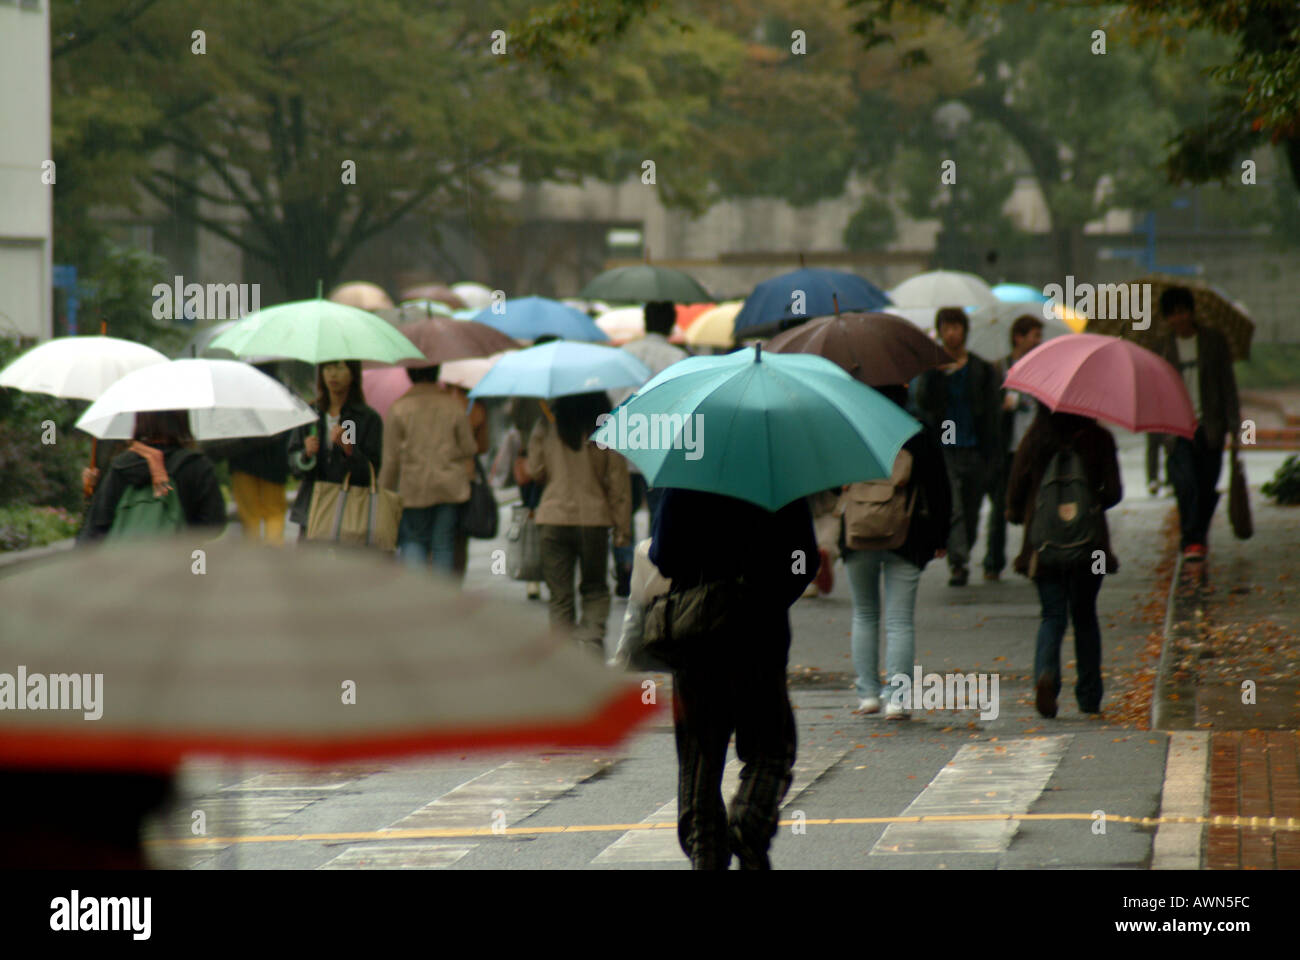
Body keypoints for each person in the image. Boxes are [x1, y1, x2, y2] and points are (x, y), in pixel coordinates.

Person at [650, 488, 818, 870]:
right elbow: (802, 560)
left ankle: (706, 853)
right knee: (770, 748)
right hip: (759, 629)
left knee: (699, 759)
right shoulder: (778, 477)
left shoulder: (687, 478)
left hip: (697, 632)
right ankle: (747, 823)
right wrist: (773, 597)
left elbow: (663, 556)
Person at [842, 384, 952, 719]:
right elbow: (939, 486)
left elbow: (834, 485)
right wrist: (940, 536)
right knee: (899, 621)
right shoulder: (917, 432)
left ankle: (867, 695)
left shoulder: (852, 430)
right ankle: (897, 699)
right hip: (907, 534)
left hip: (859, 533)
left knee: (864, 614)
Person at [1007, 408, 1122, 718]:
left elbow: (1015, 493)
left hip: (1043, 548)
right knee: (1086, 616)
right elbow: (1113, 493)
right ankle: (1089, 695)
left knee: (1052, 615)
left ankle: (1046, 674)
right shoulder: (1100, 439)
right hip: (1091, 548)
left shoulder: (1035, 438)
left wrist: (1020, 513)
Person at [519, 391, 631, 654]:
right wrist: (622, 531)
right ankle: (591, 643)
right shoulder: (606, 426)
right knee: (594, 589)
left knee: (560, 597)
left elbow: (535, 470)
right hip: (594, 520)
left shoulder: (547, 424)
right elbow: (618, 483)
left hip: (553, 518)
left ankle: (563, 658)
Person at [914, 306, 1001, 586]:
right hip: (945, 446)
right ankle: (959, 564)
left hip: (973, 445)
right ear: (939, 333)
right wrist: (932, 375)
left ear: (964, 330)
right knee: (955, 508)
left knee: (973, 509)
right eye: (946, 328)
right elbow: (923, 403)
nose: (951, 333)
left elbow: (991, 409)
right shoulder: (933, 369)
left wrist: (992, 450)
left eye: (956, 327)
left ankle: (962, 551)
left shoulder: (981, 368)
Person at [1157, 286, 1242, 560]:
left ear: (1191, 312)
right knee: (1185, 485)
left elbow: (1228, 386)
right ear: (1166, 317)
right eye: (1172, 314)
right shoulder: (1163, 347)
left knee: (1207, 485)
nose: (1179, 318)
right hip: (1177, 428)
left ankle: (1199, 535)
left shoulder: (1213, 341)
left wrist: (1235, 425)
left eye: (1183, 311)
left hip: (1210, 426)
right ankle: (1191, 539)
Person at [609, 300, 688, 596]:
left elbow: (611, 398)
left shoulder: (623, 355)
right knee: (659, 512)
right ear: (670, 324)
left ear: (645, 321)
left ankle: (624, 566)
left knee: (622, 512)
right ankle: (652, 571)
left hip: (623, 446)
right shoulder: (679, 357)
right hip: (661, 449)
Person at [378, 365, 478, 575]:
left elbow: (390, 459)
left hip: (412, 490)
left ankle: (419, 599)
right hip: (450, 489)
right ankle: (440, 602)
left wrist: (384, 493)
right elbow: (469, 448)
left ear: (409, 373)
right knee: (443, 544)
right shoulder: (453, 406)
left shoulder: (398, 409)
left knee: (413, 541)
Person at [80, 409, 227, 542]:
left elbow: (97, 526)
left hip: (125, 566)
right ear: (182, 419)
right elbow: (214, 525)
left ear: (139, 418)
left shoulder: (120, 466)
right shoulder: (196, 466)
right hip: (180, 565)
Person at [287, 360, 383, 542]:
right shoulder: (312, 414)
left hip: (348, 509)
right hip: (313, 508)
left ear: (352, 373)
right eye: (327, 368)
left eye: (339, 367)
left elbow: (371, 470)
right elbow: (293, 464)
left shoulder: (365, 418)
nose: (332, 374)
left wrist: (349, 450)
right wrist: (306, 454)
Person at [203, 362, 293, 546]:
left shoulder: (236, 392)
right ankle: (276, 557)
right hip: (274, 463)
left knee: (249, 514)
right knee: (274, 512)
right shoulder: (279, 391)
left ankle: (255, 559)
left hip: (241, 461)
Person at [984, 315, 1043, 581]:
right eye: (1034, 335)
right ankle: (993, 561)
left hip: (1035, 447)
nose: (1038, 341)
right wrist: (1002, 407)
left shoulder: (1045, 367)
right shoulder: (999, 369)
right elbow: (985, 408)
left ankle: (1031, 557)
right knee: (1001, 506)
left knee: (1036, 505)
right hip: (1007, 449)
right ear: (1018, 337)